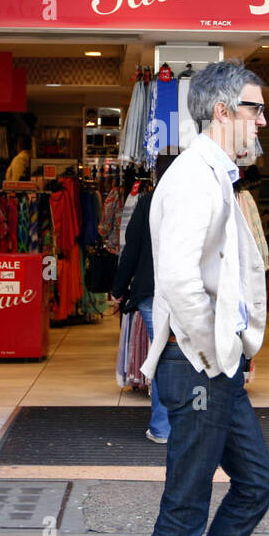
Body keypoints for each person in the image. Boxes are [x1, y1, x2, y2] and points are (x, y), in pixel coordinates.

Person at [143, 59, 269, 536]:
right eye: (255, 109)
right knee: (185, 510)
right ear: (223, 111)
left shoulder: (216, 174)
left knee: (257, 485)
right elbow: (178, 279)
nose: (263, 121)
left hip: (215, 366)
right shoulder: (194, 178)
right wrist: (213, 348)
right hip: (198, 366)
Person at [112, 185, 168, 443]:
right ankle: (193, 427)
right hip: (192, 291)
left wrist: (119, 288)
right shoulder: (202, 193)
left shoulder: (149, 200)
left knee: (162, 355)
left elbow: (132, 246)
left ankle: (162, 427)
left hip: (151, 289)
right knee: (191, 359)